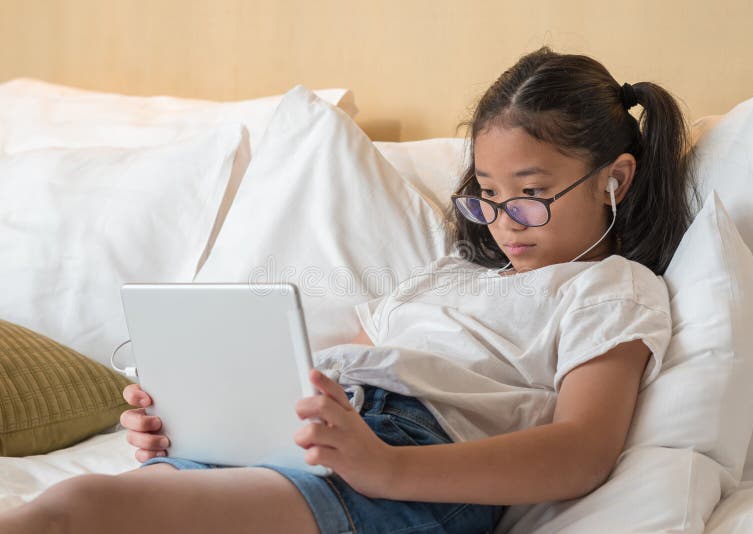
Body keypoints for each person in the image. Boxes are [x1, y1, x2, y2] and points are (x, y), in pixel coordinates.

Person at [0, 45, 697, 534]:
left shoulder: (610, 288)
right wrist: (199, 424)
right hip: (326, 438)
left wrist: (387, 468)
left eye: (532, 195)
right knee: (66, 510)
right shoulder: (447, 279)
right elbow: (327, 373)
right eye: (487, 195)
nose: (504, 221)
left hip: (409, 465)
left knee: (77, 511)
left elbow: (582, 450)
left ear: (617, 179)